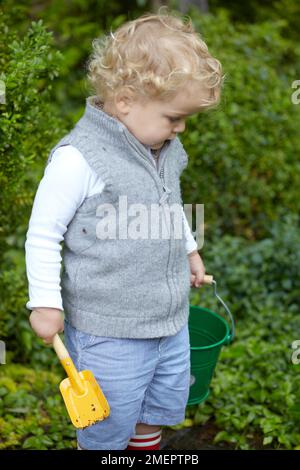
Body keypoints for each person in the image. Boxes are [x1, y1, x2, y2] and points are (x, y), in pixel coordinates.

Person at [25, 9, 223, 450]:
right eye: (174, 117)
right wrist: (44, 303)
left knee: (152, 411)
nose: (181, 128)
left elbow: (168, 203)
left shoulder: (163, 145)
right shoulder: (79, 159)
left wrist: (188, 250)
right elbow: (42, 234)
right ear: (126, 100)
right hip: (109, 331)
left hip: (169, 322)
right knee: (107, 425)